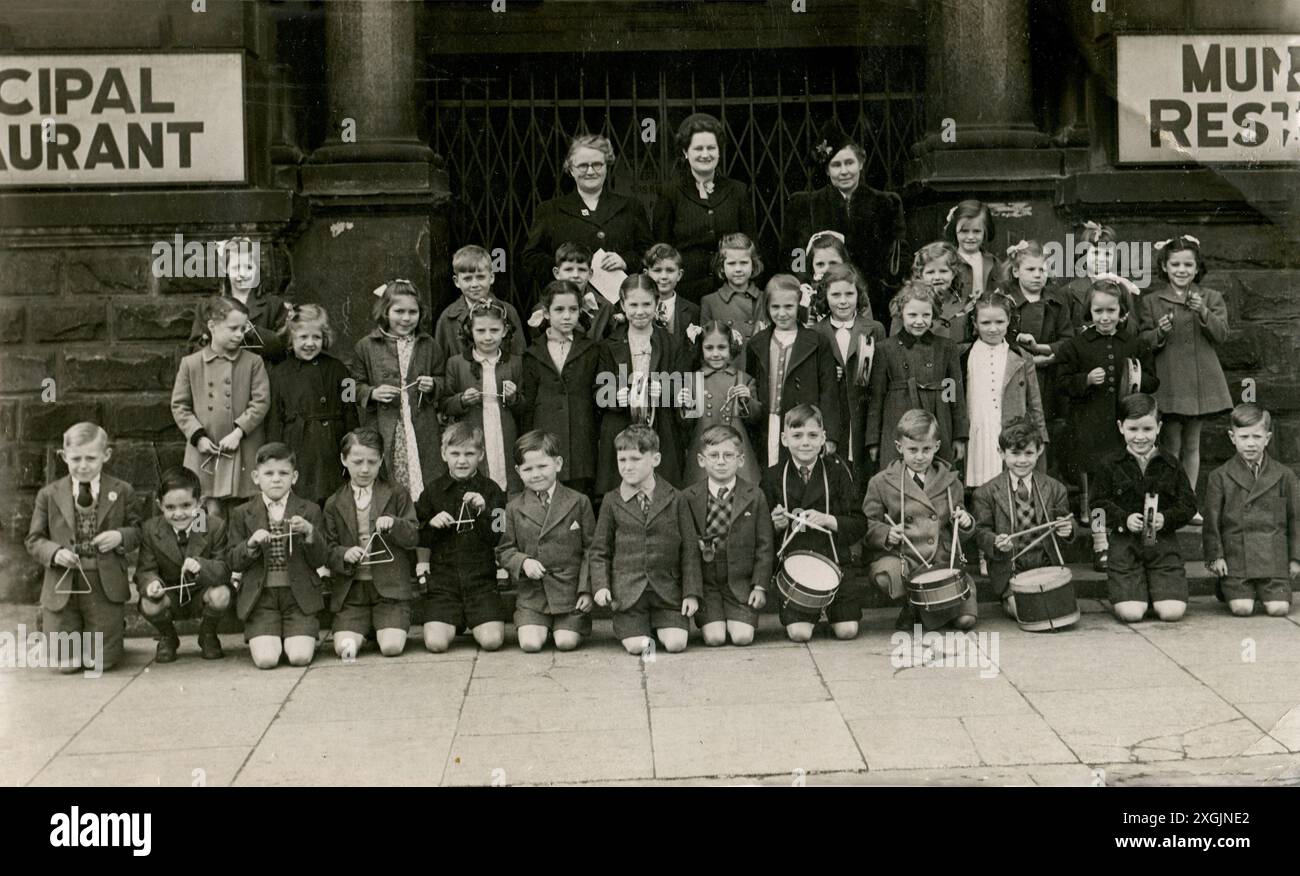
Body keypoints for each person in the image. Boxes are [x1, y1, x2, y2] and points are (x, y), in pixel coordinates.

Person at [1055, 278, 1158, 571]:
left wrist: (1136, 381)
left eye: (1111, 310)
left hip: (1126, 430)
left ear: (1122, 311)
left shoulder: (1135, 343)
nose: (1105, 317)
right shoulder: (1077, 345)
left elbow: (1153, 379)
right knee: (1100, 489)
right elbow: (1061, 383)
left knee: (1126, 485)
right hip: (1090, 428)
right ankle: (1100, 545)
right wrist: (1084, 380)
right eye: (1098, 311)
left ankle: (1126, 541)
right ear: (1089, 311)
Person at [25, 422, 141, 673]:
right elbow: (34, 540)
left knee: (99, 663)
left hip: (103, 584)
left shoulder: (122, 491)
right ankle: (50, 624)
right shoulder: (49, 494)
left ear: (106, 455)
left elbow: (138, 531)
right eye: (76, 458)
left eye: (91, 458)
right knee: (65, 666)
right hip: (62, 583)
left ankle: (108, 633)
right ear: (64, 456)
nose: (83, 465)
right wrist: (55, 553)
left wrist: (120, 536)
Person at [1138, 234, 1232, 511]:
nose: (1182, 270)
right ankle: (1169, 501)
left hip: (1200, 384)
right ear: (1165, 267)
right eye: (1175, 264)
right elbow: (1142, 340)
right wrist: (1160, 332)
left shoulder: (1210, 297)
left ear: (1196, 267)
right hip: (1169, 382)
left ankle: (1187, 503)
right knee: (1170, 444)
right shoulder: (1152, 301)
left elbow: (1222, 334)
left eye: (1188, 265)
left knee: (1192, 443)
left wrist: (1203, 311)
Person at [590, 424, 702, 655]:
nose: (627, 466)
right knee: (641, 648)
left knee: (676, 644)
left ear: (655, 459)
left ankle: (661, 626)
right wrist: (601, 586)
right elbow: (600, 550)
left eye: (636, 459)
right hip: (629, 595)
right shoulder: (611, 501)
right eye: (622, 460)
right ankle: (639, 629)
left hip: (667, 593)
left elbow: (689, 550)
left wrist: (690, 592)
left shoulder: (676, 498)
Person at [782, 118, 906, 324]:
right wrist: (810, 291)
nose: (844, 171)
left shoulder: (886, 204)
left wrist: (885, 287)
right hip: (823, 303)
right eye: (836, 165)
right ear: (827, 170)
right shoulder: (805, 205)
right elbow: (794, 255)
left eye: (849, 163)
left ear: (861, 163)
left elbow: (899, 254)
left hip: (873, 303)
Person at [863, 409, 977, 632]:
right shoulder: (881, 482)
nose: (919, 456)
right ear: (899, 448)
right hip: (904, 556)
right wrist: (887, 533)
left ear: (936, 446)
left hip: (940, 558)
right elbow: (869, 522)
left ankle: (924, 610)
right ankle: (912, 605)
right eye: (912, 450)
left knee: (967, 621)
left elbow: (959, 520)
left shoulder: (950, 481)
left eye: (926, 449)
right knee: (886, 576)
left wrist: (964, 522)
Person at [1089, 393, 1197, 624]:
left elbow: (1188, 505)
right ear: (1120, 427)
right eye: (1133, 429)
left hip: (1163, 547)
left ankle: (1157, 590)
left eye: (1147, 429)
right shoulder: (1108, 465)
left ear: (1159, 427)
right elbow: (1096, 508)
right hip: (1125, 547)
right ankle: (1134, 591)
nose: (1140, 437)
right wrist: (1122, 519)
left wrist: (1166, 519)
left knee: (1172, 613)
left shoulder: (1170, 464)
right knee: (1132, 614)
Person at [763, 404, 867, 642]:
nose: (805, 443)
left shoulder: (839, 472)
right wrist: (776, 525)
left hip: (835, 563)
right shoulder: (772, 476)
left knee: (848, 631)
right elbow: (761, 533)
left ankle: (831, 611)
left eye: (812, 435)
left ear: (823, 438)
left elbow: (860, 524)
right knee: (799, 634)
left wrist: (830, 520)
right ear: (784, 439)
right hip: (794, 570)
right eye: (797, 436)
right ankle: (807, 615)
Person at [227, 443, 330, 669]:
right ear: (256, 477)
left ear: (294, 477)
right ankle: (270, 635)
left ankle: (292, 635)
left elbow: (321, 559)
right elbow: (232, 559)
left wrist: (310, 533)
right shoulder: (242, 513)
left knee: (299, 658)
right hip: (261, 598)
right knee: (266, 660)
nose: (276, 479)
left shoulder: (309, 510)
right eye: (269, 473)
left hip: (299, 599)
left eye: (283, 473)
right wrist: (251, 544)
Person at [322, 428, 420, 660]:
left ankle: (382, 627)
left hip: (390, 592)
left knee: (391, 648)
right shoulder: (334, 503)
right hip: (352, 594)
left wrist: (395, 524)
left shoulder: (396, 493)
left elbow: (414, 536)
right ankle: (364, 628)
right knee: (345, 650)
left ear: (381, 461)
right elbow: (326, 548)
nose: (365, 469)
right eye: (357, 462)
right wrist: (344, 554)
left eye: (372, 462)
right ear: (344, 460)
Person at [172, 296, 271, 523]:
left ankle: (240, 555)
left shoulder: (253, 362)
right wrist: (198, 437)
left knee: (243, 511)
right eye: (233, 328)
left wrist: (238, 432)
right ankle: (204, 555)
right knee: (206, 509)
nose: (239, 334)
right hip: (206, 450)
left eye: (243, 328)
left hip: (242, 446)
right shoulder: (191, 364)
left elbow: (261, 401)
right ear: (212, 326)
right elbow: (180, 405)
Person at [496, 430, 597, 652]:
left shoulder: (579, 501)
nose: (536, 474)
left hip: (569, 593)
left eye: (542, 466)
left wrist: (586, 590)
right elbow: (504, 550)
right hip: (533, 594)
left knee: (565, 642)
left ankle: (565, 625)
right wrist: (523, 562)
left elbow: (592, 550)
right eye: (528, 469)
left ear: (558, 464)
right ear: (518, 472)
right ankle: (537, 623)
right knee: (530, 644)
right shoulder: (513, 507)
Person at [414, 423, 509, 653]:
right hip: (444, 584)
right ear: (443, 454)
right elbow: (418, 537)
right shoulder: (432, 491)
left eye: (470, 454)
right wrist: (432, 525)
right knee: (436, 644)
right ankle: (451, 622)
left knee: (492, 641)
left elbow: (501, 536)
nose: (462, 461)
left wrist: (484, 510)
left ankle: (477, 621)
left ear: (481, 455)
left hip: (481, 582)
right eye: (455, 454)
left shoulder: (493, 490)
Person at [1202, 404, 1300, 618]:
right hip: (1238, 559)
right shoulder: (1220, 476)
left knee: (1279, 609)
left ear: (1268, 438)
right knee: (1242, 609)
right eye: (1244, 436)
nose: (1250, 443)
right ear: (1232, 437)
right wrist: (1216, 556)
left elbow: (1295, 519)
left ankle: (1266, 591)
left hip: (1273, 559)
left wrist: (1295, 558)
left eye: (1257, 436)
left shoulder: (1284, 475)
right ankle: (1232, 587)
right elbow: (1212, 521)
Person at [349, 279, 443, 501]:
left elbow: (443, 379)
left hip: (420, 424)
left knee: (425, 475)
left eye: (413, 312)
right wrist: (372, 393)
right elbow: (351, 386)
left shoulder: (428, 344)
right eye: (399, 311)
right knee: (391, 478)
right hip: (386, 424)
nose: (406, 318)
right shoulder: (367, 346)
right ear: (385, 311)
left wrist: (433, 385)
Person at [594, 274, 690, 492]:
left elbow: (683, 385)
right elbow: (599, 389)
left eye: (646, 304)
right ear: (622, 304)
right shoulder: (609, 345)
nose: (640, 311)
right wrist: (613, 396)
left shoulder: (670, 342)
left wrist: (667, 391)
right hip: (621, 424)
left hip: (660, 425)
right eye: (633, 304)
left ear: (656, 303)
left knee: (660, 489)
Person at [522, 134, 653, 292]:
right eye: (583, 165)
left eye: (597, 164)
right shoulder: (550, 210)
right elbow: (530, 257)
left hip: (619, 300)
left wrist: (626, 261)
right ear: (570, 169)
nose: (590, 171)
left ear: (607, 166)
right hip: (568, 301)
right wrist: (566, 268)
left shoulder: (631, 207)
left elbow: (649, 252)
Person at [972, 418, 1073, 619]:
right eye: (1015, 454)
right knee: (1029, 612)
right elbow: (981, 532)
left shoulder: (1055, 488)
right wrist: (995, 542)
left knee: (1058, 611)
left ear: (1039, 451)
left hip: (1046, 565)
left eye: (1029, 453)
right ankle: (1010, 600)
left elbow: (1065, 520)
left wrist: (1068, 529)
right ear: (1001, 453)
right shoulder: (986, 493)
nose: (1022, 460)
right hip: (1011, 569)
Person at [651, 113, 758, 304]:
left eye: (711, 148)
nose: (705, 154)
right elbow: (662, 248)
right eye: (698, 148)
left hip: (730, 291)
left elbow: (751, 244)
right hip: (685, 292)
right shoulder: (670, 193)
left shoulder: (738, 190)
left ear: (719, 151)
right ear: (685, 152)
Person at [682, 425, 774, 646]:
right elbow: (686, 550)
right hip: (707, 584)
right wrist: (692, 591)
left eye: (728, 455)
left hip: (740, 583)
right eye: (713, 456)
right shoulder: (688, 497)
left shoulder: (755, 495)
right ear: (701, 460)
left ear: (740, 460)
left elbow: (765, 545)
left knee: (742, 637)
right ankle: (712, 616)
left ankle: (738, 614)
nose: (721, 461)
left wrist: (759, 586)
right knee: (714, 638)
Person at [744, 273, 841, 469]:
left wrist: (829, 435)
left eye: (789, 307)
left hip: (804, 425)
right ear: (767, 308)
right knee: (771, 474)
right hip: (768, 423)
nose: (782, 313)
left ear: (799, 306)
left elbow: (829, 391)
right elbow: (752, 383)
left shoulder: (816, 342)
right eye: (775, 307)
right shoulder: (757, 343)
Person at [865, 282, 967, 470]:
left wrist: (958, 436)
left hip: (938, 417)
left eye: (926, 315)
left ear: (934, 314)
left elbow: (954, 394)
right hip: (897, 418)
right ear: (900, 314)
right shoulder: (885, 348)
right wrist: (873, 440)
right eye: (912, 315)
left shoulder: (946, 348)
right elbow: (877, 398)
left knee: (938, 475)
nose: (919, 321)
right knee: (896, 475)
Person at [266, 303, 358, 507]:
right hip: (298, 445)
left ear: (324, 338)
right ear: (291, 338)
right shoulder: (280, 373)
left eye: (316, 337)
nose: (310, 343)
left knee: (334, 497)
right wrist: (276, 455)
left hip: (331, 445)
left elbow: (351, 409)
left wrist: (352, 446)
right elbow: (274, 418)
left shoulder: (340, 369)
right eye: (303, 337)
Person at [135, 466, 231, 662]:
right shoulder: (151, 529)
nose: (179, 514)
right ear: (159, 505)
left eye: (186, 506)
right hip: (170, 593)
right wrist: (152, 583)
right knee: (148, 603)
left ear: (199, 502)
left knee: (222, 594)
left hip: (201, 593)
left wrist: (201, 565)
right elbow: (145, 570)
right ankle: (168, 637)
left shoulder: (212, 526)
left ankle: (208, 634)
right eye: (170, 508)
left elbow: (224, 568)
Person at [519, 281, 602, 495]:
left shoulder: (591, 349)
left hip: (581, 441)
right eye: (559, 310)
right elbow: (527, 404)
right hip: (545, 439)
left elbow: (597, 400)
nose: (567, 316)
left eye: (573, 310)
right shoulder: (532, 353)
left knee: (580, 500)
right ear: (546, 313)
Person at [962, 291, 1046, 490]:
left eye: (999, 322)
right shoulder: (963, 355)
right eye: (985, 323)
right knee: (977, 482)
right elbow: (950, 395)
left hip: (1009, 429)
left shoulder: (1021, 357)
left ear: (1009, 321)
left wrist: (1041, 435)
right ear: (975, 323)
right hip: (976, 429)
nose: (993, 329)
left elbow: (1034, 402)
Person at [812, 262, 885, 486]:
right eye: (835, 295)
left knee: (864, 476)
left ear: (858, 295)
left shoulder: (874, 328)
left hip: (864, 413)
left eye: (849, 294)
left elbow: (880, 381)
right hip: (834, 416)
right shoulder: (816, 333)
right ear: (825, 297)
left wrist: (874, 435)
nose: (843, 301)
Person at [441, 299, 525, 494]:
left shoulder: (515, 363)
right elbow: (444, 403)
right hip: (474, 428)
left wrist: (513, 397)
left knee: (504, 471)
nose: (488, 337)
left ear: (504, 331)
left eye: (494, 331)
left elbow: (525, 407)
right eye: (480, 331)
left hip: (504, 430)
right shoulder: (456, 363)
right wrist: (462, 400)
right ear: (471, 331)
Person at [678, 321, 762, 486]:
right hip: (703, 453)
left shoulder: (743, 379)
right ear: (700, 350)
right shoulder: (693, 380)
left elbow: (756, 419)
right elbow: (685, 425)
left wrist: (747, 400)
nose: (715, 354)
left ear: (730, 348)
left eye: (721, 348)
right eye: (709, 348)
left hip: (737, 454)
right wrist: (686, 405)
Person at [188, 236, 287, 364]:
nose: (242, 274)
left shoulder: (273, 305)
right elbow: (193, 350)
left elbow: (283, 350)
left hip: (259, 378)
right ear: (226, 270)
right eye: (236, 268)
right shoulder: (207, 306)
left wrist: (250, 330)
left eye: (249, 268)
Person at [433, 245, 528, 365]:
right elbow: (439, 364)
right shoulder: (447, 318)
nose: (474, 284)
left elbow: (519, 356)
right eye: (467, 279)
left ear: (491, 277)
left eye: (480, 277)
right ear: (457, 281)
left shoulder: (507, 312)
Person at [525, 242, 615, 343]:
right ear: (557, 273)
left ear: (590, 274)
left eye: (582, 270)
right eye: (568, 269)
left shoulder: (605, 308)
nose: (575, 275)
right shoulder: (543, 309)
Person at [700, 232, 765, 348]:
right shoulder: (710, 302)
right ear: (722, 267)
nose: (738, 269)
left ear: (753, 265)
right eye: (731, 263)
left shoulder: (765, 299)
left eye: (744, 263)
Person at [905, 241, 974, 348]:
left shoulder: (966, 303)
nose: (937, 277)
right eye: (930, 272)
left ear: (954, 273)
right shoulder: (907, 304)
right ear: (920, 275)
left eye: (943, 271)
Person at [644, 242, 701, 351]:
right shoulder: (638, 308)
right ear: (647, 274)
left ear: (679, 275)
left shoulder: (692, 310)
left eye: (670, 270)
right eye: (657, 270)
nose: (664, 276)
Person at [943, 200, 1000, 298]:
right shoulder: (947, 261)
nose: (970, 237)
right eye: (964, 231)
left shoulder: (993, 262)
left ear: (985, 231)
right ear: (954, 231)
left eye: (976, 231)